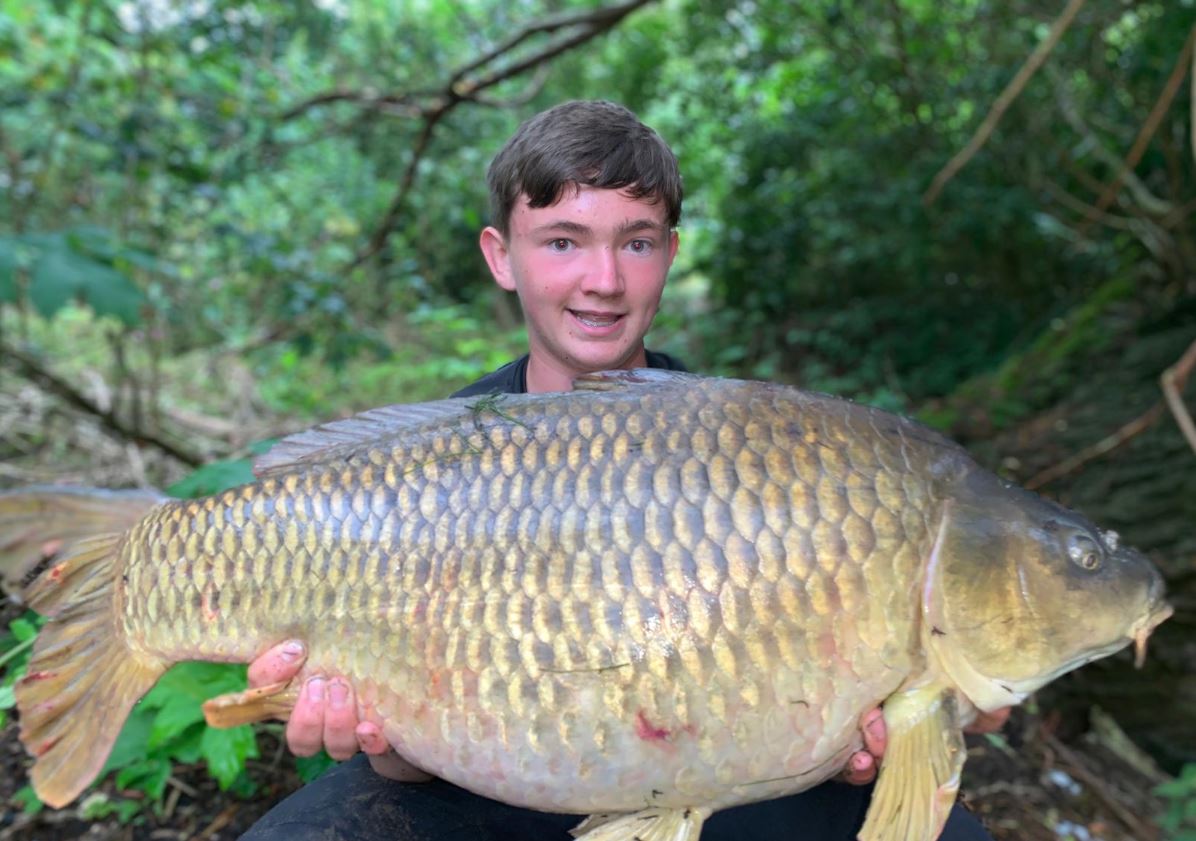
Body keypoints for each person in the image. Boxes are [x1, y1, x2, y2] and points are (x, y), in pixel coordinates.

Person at [240, 100, 1003, 840]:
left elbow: (833, 703)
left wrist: (853, 734)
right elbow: (411, 761)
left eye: (635, 243)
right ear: (501, 256)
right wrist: (371, 723)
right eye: (563, 242)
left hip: (718, 784)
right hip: (496, 788)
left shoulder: (757, 452)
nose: (602, 279)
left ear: (669, 253)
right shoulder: (433, 464)